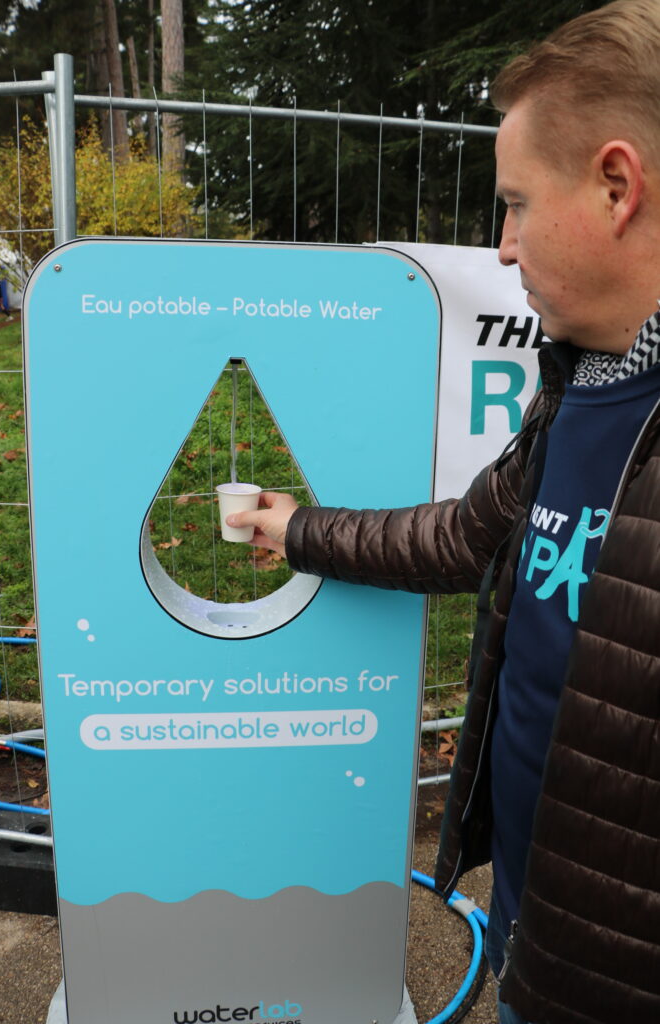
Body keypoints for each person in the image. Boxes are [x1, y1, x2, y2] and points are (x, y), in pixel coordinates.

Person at [228, 3, 660, 1022]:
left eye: (512, 204)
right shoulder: (576, 389)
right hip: (537, 915)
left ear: (613, 186)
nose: (501, 248)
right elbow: (466, 534)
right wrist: (299, 531)